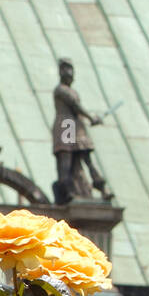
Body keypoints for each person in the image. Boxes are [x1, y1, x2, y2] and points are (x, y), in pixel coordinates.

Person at [52, 57, 111, 204]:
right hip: (67, 126)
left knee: (86, 156)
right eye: (65, 69)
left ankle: (100, 187)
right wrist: (91, 117)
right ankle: (67, 190)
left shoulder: (71, 90)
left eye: (70, 69)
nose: (69, 73)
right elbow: (75, 105)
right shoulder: (61, 90)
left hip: (75, 125)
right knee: (67, 158)